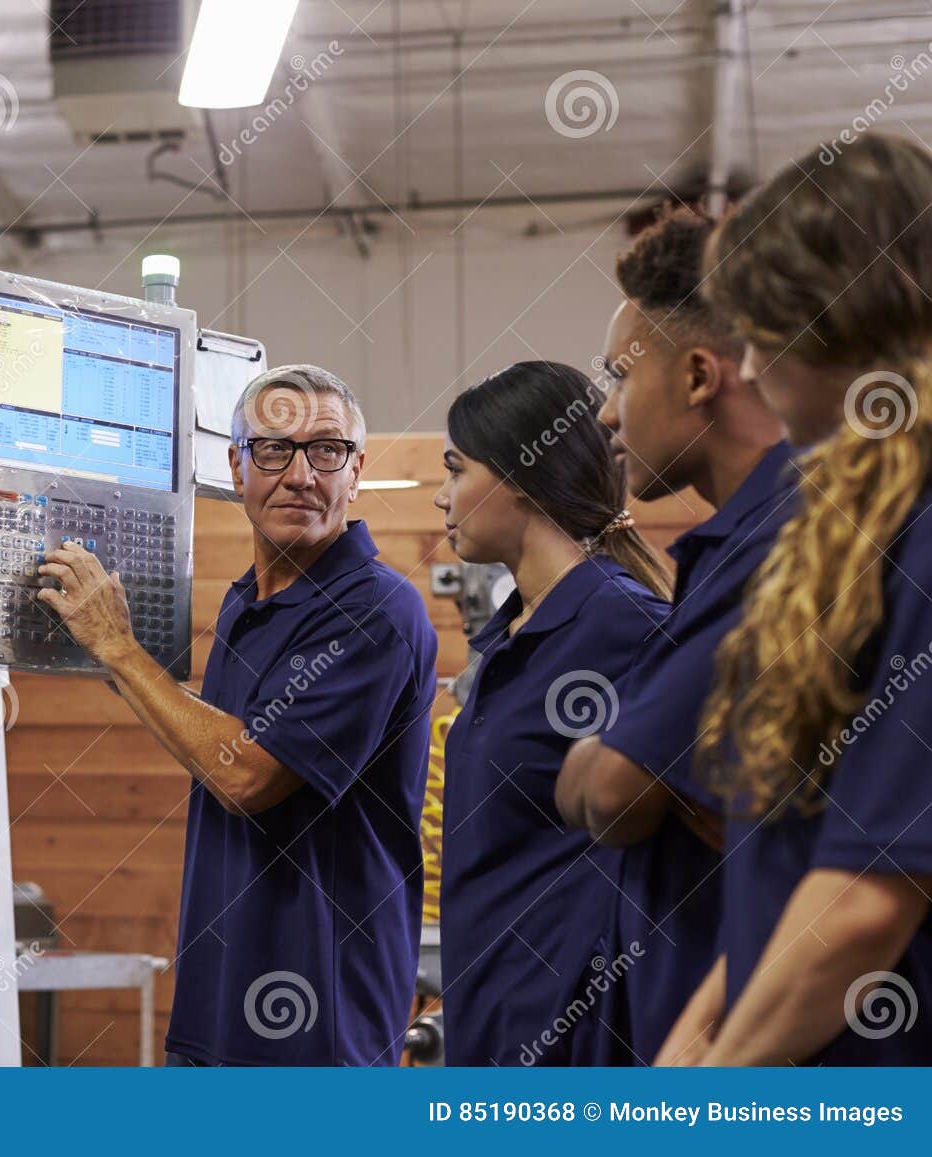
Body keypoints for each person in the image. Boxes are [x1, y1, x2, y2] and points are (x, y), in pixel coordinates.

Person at [37, 365, 438, 1065]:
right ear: (237, 464)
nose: (301, 474)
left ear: (357, 469)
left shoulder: (376, 610)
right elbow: (212, 739)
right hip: (216, 1009)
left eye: (326, 450)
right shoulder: (245, 603)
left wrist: (119, 649)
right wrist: (107, 655)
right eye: (274, 449)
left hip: (316, 1030)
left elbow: (248, 775)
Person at [659, 133, 932, 1065]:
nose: (760, 368)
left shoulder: (922, 533)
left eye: (765, 333)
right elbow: (790, 867)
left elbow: (868, 900)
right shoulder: (843, 524)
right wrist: (700, 1035)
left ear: (833, 326)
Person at [552, 208, 790, 1063]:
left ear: (698, 376)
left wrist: (616, 759)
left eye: (620, 377)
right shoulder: (726, 548)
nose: (608, 415)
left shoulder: (779, 540)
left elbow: (610, 792)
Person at [435, 360, 672, 1065]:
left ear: (518, 478)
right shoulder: (508, 635)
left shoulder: (623, 623)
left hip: (575, 1035)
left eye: (456, 470)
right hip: (491, 1015)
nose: (443, 496)